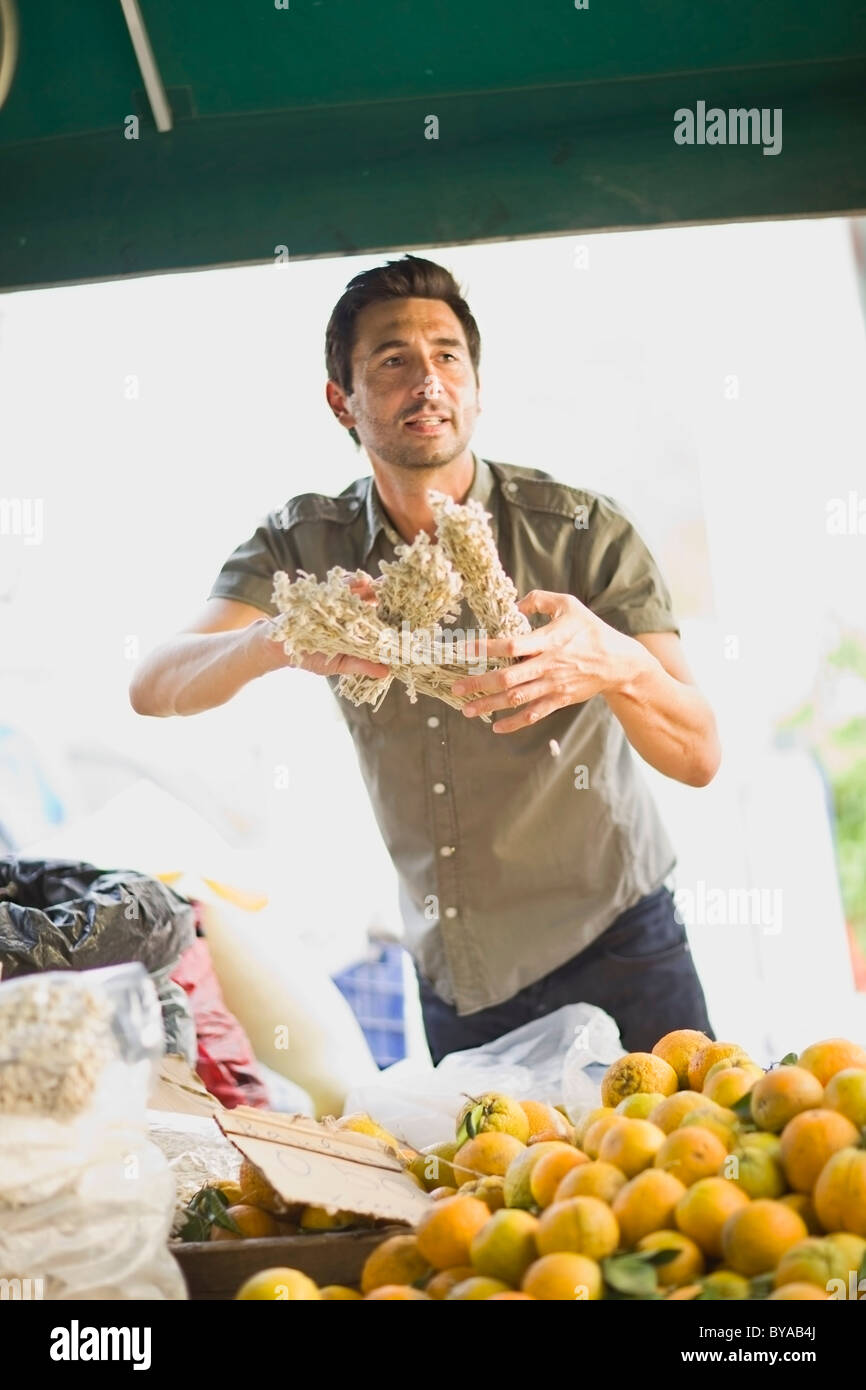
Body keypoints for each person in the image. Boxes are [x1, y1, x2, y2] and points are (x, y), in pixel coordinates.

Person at [130, 254, 720, 1064]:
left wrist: (618, 665)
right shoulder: (306, 544)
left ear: (477, 387)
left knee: (683, 1169)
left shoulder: (582, 532)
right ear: (343, 400)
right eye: (393, 361)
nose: (428, 380)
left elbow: (698, 755)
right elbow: (155, 686)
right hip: (460, 981)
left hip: (621, 947)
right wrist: (282, 637)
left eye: (447, 355)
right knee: (500, 1191)